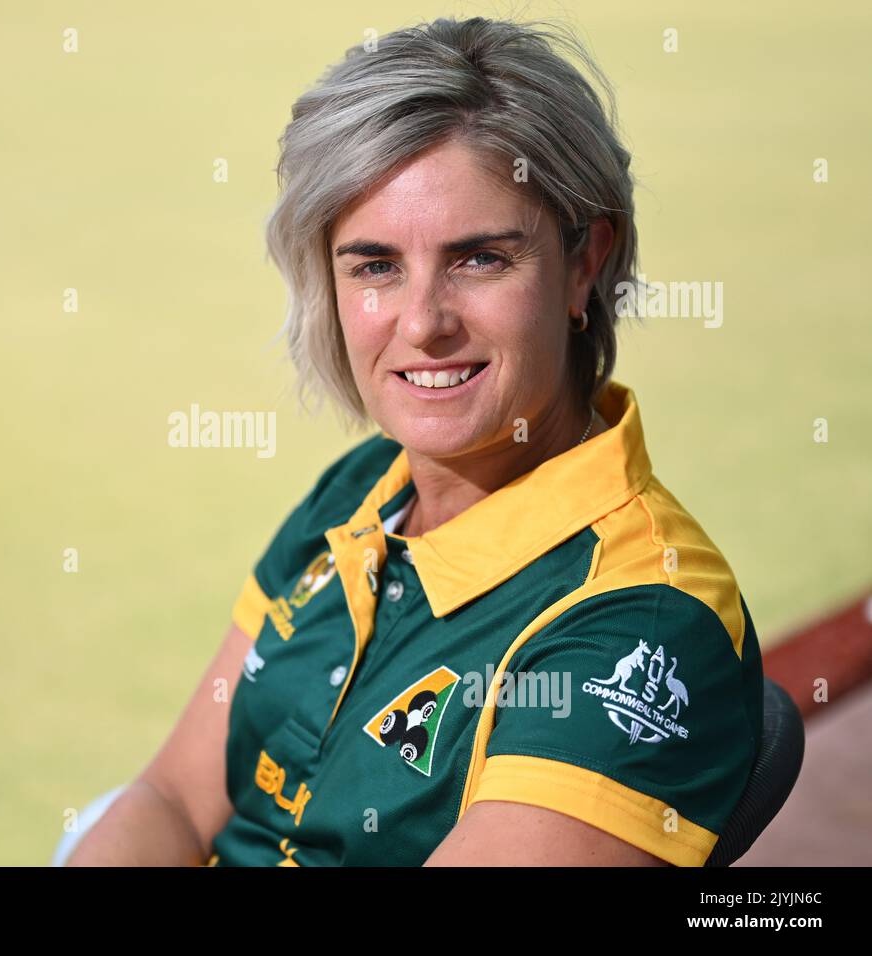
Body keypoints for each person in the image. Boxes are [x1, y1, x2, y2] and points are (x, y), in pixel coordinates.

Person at [66, 15, 762, 867]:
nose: (424, 324)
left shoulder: (638, 627)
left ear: (585, 264)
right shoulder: (364, 487)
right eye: (375, 266)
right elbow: (171, 799)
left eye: (480, 260)